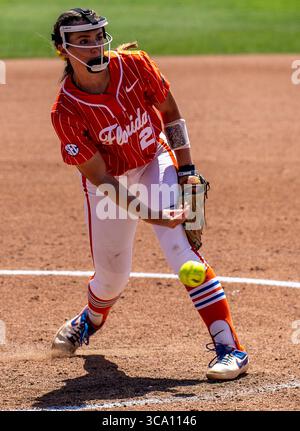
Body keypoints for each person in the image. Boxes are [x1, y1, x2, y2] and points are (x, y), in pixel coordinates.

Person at [50, 7, 249, 381]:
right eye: (83, 40)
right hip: (111, 184)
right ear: (63, 50)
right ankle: (90, 320)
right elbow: (101, 178)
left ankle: (230, 348)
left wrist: (187, 170)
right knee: (111, 276)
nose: (94, 46)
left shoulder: (135, 65)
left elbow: (170, 113)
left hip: (154, 160)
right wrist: (146, 211)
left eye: (97, 37)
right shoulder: (66, 111)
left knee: (181, 252)